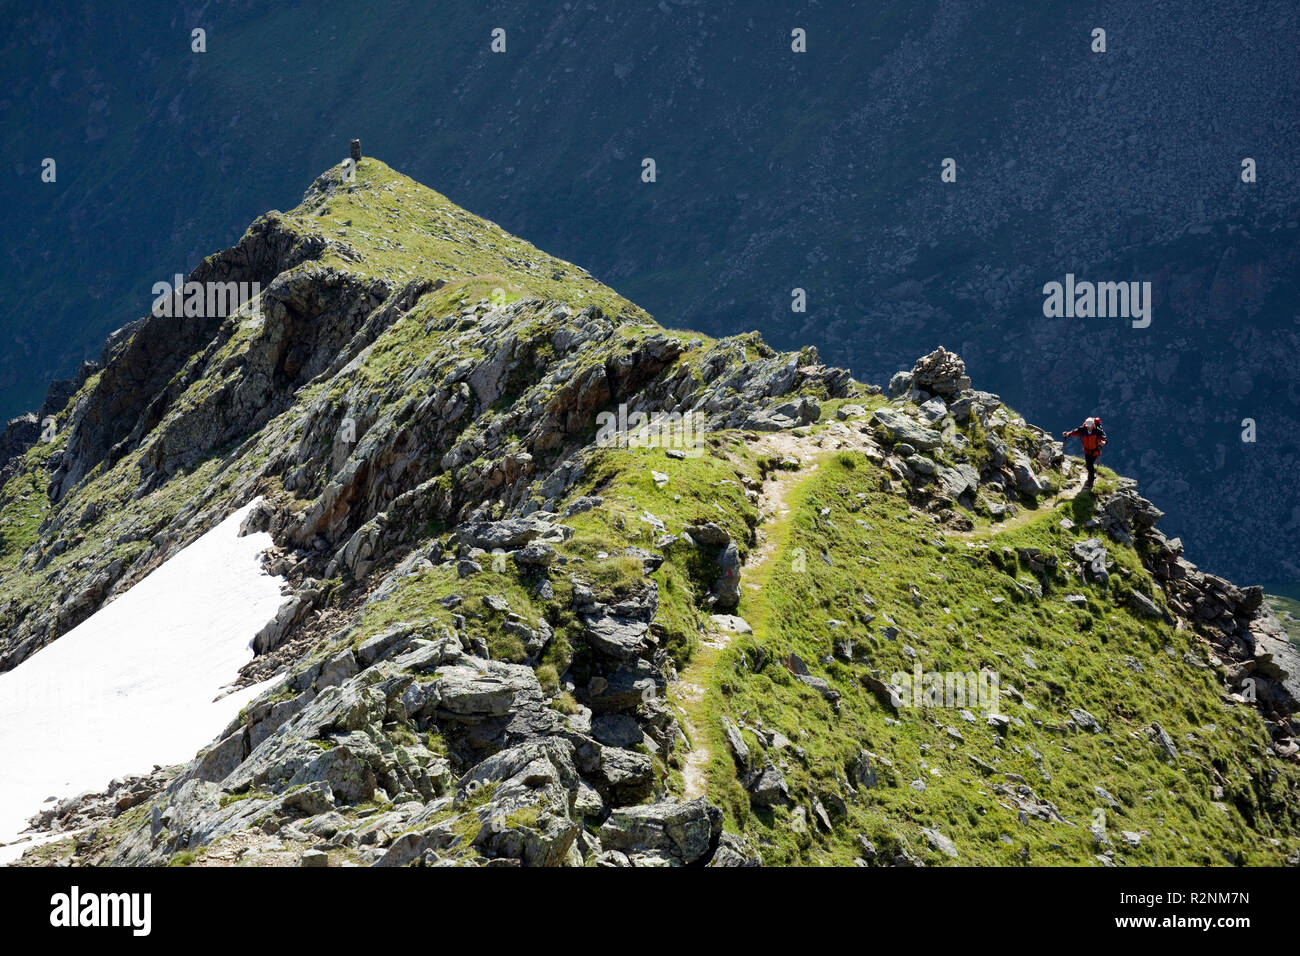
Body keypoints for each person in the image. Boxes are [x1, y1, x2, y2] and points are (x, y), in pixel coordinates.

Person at [1062, 417, 1107, 490]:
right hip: (1087, 450)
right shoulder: (1082, 429)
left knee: (1090, 465)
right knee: (1088, 465)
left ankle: (1091, 480)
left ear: (1093, 425)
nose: (1088, 427)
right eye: (1087, 426)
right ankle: (1091, 477)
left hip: (1095, 451)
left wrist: (1103, 442)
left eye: (1089, 426)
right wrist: (1067, 434)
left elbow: (1104, 438)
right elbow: (1074, 432)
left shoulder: (1098, 431)